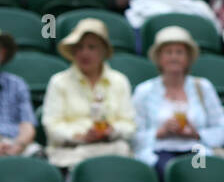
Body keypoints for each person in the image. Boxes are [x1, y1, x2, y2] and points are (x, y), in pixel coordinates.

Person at [131, 26, 224, 182]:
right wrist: (160, 132)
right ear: (159, 58)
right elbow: (134, 135)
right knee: (171, 175)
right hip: (159, 150)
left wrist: (195, 134)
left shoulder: (203, 87)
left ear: (188, 58)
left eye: (179, 52)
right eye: (168, 52)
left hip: (195, 149)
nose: (174, 57)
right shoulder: (144, 91)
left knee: (198, 174)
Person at [42, 18, 135, 170]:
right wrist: (80, 136)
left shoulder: (119, 81)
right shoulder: (59, 82)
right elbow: (51, 126)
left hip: (112, 149)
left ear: (103, 51)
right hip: (71, 152)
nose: (85, 53)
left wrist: (111, 131)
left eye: (92, 47)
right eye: (79, 47)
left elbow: (129, 125)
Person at [0, 30, 37, 158]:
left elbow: (27, 125)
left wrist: (18, 145)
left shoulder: (17, 83)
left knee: (38, 154)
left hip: (15, 144)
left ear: (3, 53)